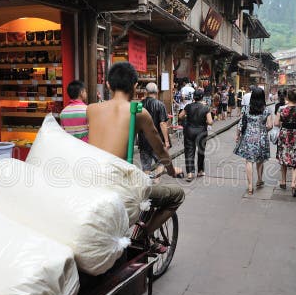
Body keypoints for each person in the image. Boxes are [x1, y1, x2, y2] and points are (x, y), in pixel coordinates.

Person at [87, 62, 184, 235]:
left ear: (108, 84)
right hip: (118, 186)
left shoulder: (91, 109)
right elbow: (160, 149)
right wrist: (170, 170)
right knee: (177, 195)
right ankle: (140, 237)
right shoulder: (138, 112)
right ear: (135, 85)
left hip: (91, 180)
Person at [234, 87, 271, 195]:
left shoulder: (246, 109)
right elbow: (270, 125)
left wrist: (237, 135)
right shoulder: (266, 110)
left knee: (249, 161)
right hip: (261, 137)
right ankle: (259, 180)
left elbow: (240, 124)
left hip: (248, 137)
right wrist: (263, 130)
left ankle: (250, 187)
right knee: (260, 160)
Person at [179, 89, 213, 180]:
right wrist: (203, 120)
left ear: (194, 97)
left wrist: (188, 117)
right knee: (201, 151)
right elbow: (210, 122)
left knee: (189, 151)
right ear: (202, 97)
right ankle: (200, 171)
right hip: (201, 132)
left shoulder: (188, 106)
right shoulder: (206, 108)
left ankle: (190, 173)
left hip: (189, 131)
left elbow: (180, 116)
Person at [139, 82, 170, 175]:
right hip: (157, 140)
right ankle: (156, 182)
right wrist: (166, 141)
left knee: (146, 167)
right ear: (157, 91)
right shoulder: (160, 105)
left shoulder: (140, 105)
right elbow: (163, 123)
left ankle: (147, 186)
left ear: (146, 92)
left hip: (143, 141)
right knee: (161, 162)